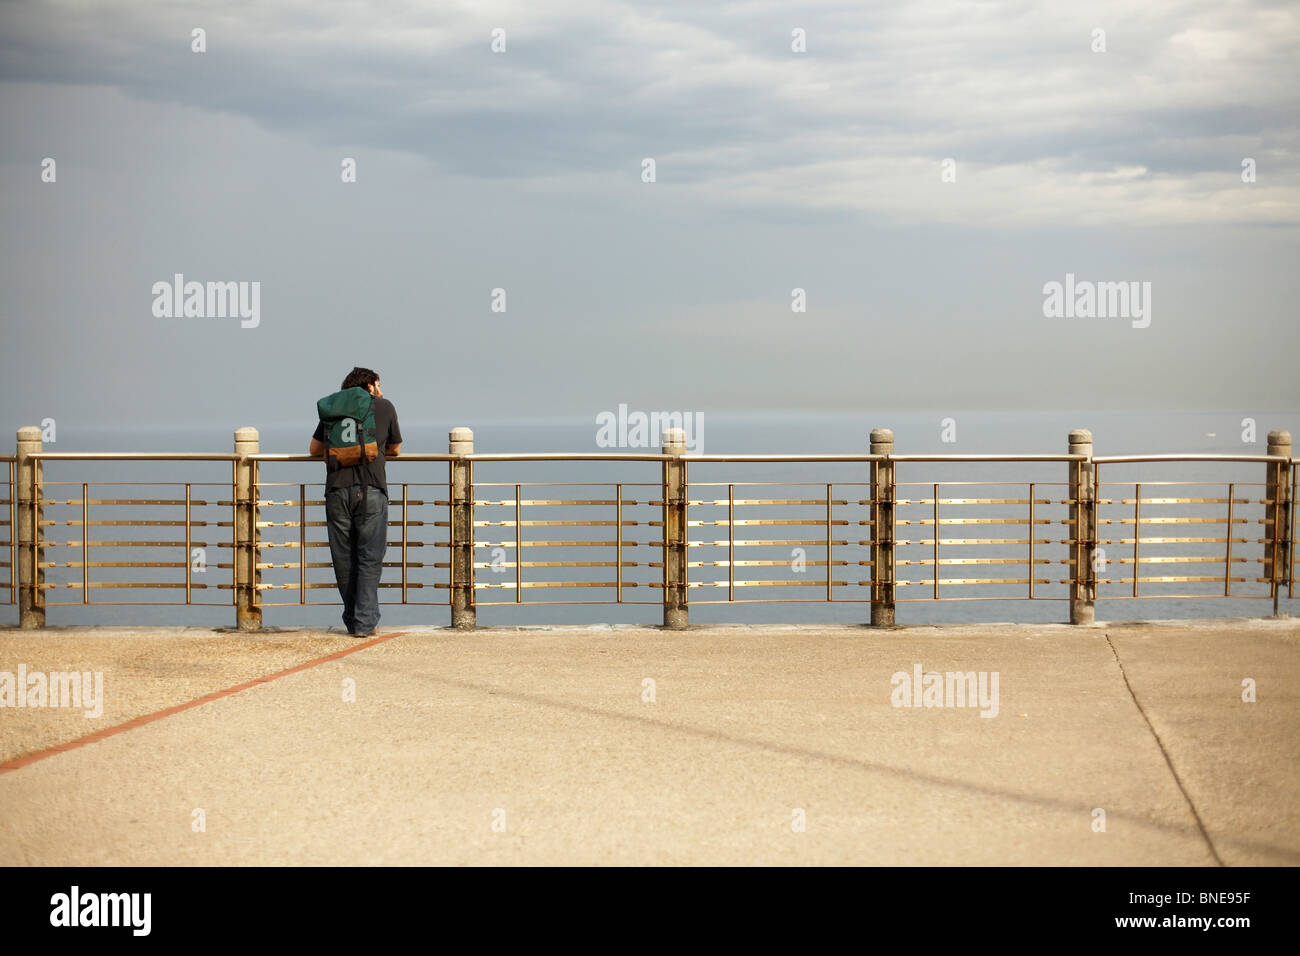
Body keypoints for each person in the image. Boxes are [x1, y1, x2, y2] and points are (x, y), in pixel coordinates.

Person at [309, 367, 402, 636]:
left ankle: (353, 620)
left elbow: (315, 449)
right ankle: (364, 623)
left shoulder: (334, 410)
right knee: (369, 558)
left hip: (337, 490)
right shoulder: (384, 407)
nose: (382, 390)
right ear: (369, 386)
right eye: (378, 384)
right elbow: (395, 448)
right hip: (371, 489)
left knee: (343, 558)